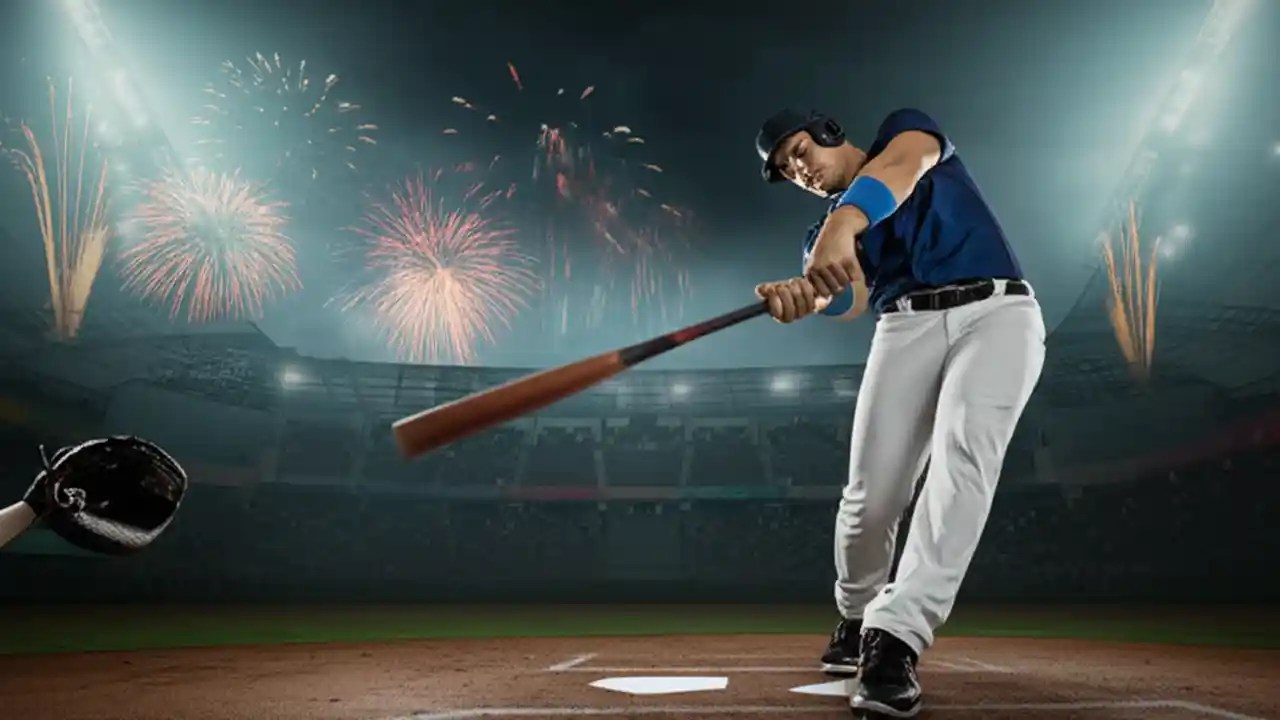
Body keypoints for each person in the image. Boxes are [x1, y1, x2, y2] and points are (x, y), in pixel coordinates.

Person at [753, 108, 1045, 718]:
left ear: (830, 132)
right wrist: (802, 296)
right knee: (871, 497)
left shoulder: (904, 132)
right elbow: (845, 296)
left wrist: (843, 224)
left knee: (962, 461)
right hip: (903, 326)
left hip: (997, 313)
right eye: (785, 170)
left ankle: (896, 637)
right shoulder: (820, 235)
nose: (799, 170)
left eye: (800, 151)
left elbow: (903, 166)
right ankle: (858, 617)